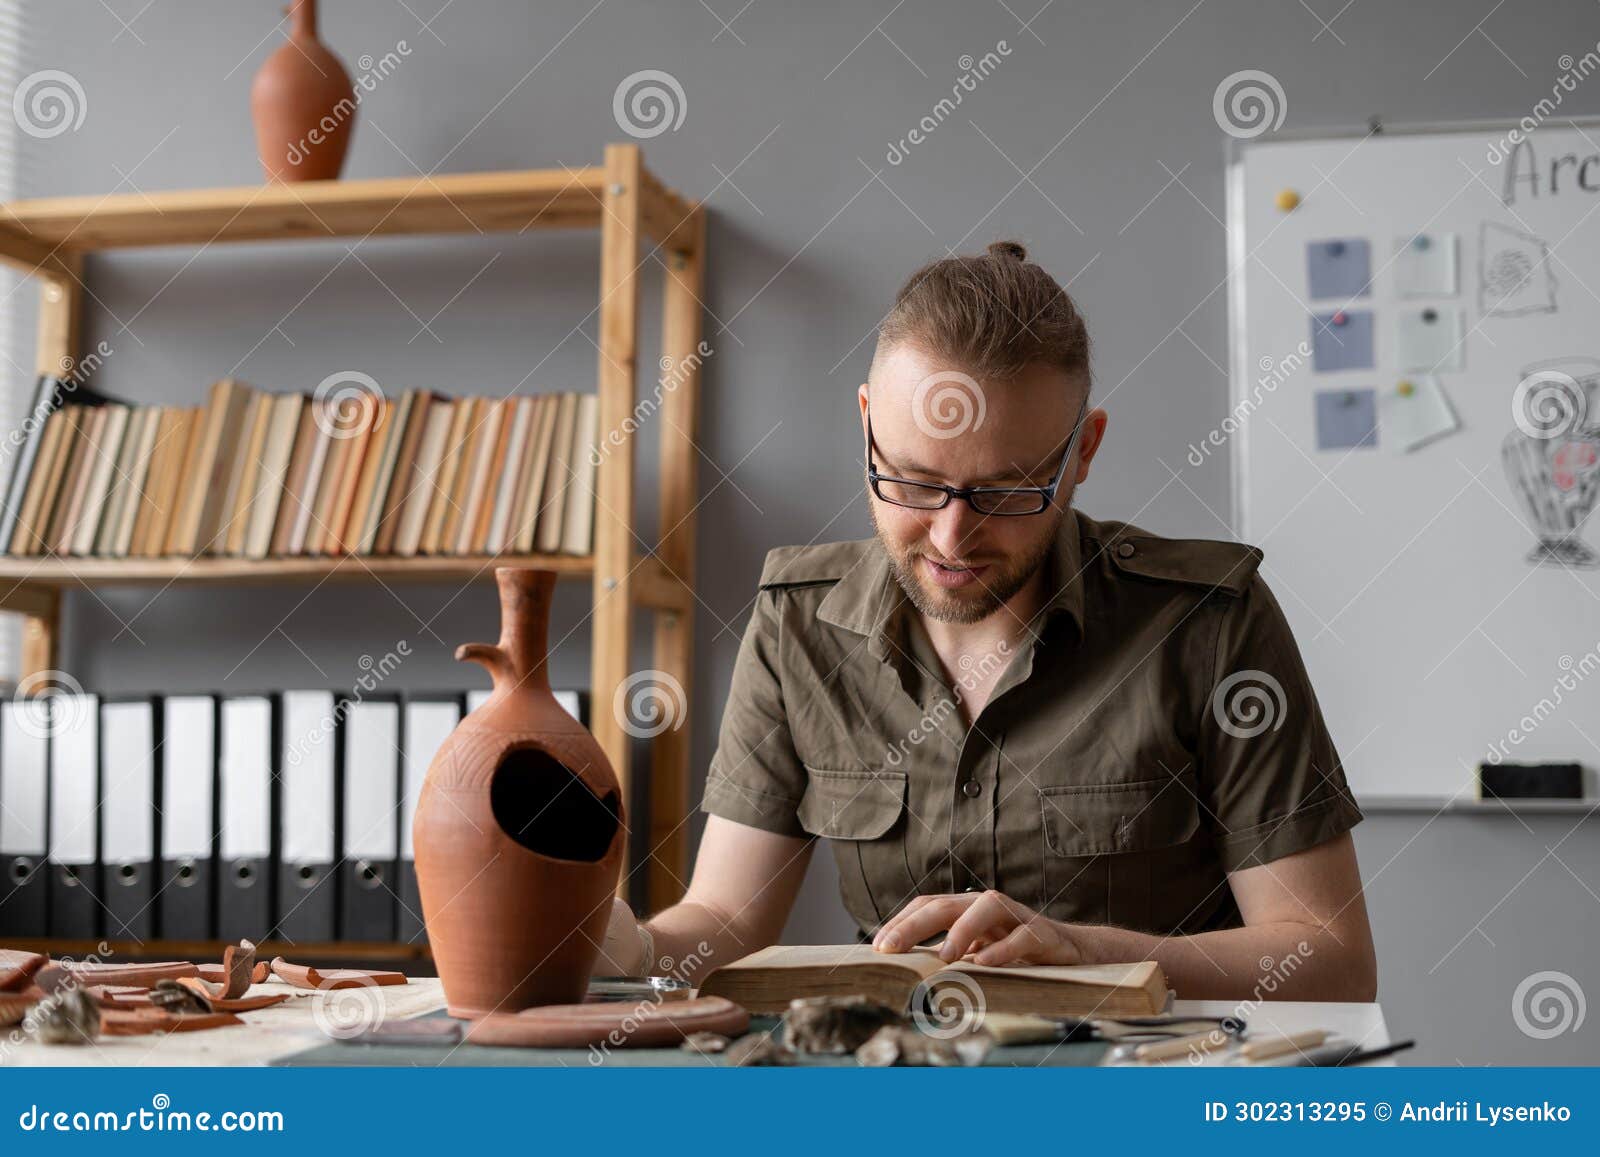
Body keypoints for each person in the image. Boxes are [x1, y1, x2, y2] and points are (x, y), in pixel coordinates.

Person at [598, 240, 1377, 1001]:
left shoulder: (1209, 624)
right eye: (911, 480)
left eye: (1004, 493)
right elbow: (726, 918)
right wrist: (623, 942)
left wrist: (1088, 955)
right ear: (866, 423)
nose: (949, 537)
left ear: (1083, 451)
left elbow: (1333, 960)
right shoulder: (798, 625)